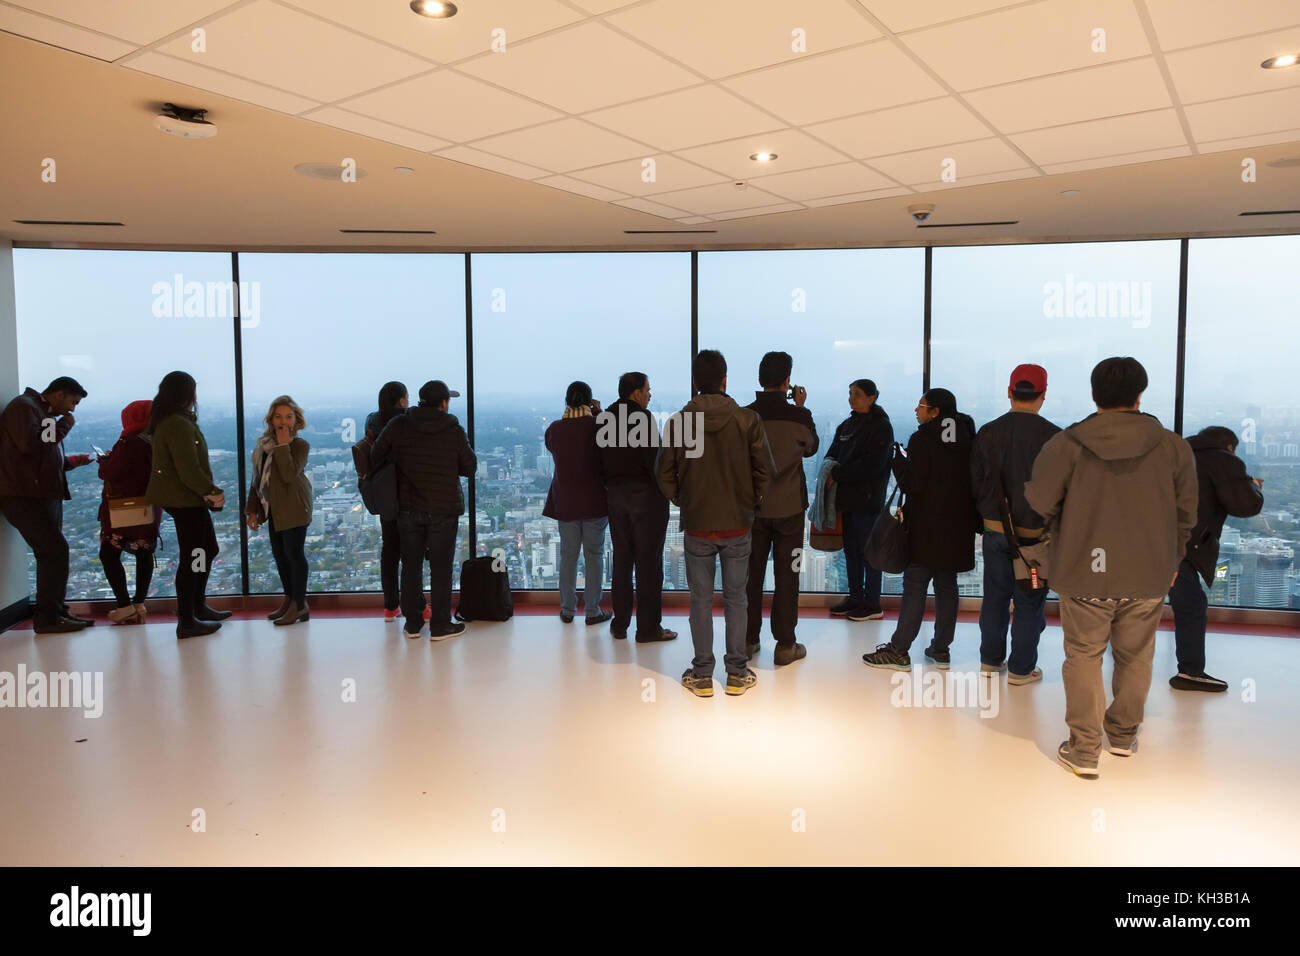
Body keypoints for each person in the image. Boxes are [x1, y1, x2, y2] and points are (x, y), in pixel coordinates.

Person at [1025, 357, 1197, 777]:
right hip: (1148, 571)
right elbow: (1186, 514)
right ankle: (1121, 736)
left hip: (1085, 570)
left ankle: (1084, 750)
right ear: (1141, 395)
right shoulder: (1173, 446)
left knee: (1083, 655)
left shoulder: (1067, 444)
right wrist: (1172, 558)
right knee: (1136, 654)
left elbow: (1039, 503)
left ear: (1093, 395)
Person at [658, 350, 773, 698]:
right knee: (737, 599)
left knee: (700, 600)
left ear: (695, 382)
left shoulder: (679, 422)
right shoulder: (747, 420)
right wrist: (750, 502)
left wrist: (685, 500)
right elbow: (764, 471)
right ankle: (737, 673)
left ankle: (703, 674)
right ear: (725, 380)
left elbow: (663, 474)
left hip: (697, 525)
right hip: (738, 524)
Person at [863, 388, 979, 672]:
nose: (917, 410)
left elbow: (912, 485)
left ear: (935, 411)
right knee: (947, 586)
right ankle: (941, 649)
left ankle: (899, 650)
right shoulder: (969, 437)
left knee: (915, 586)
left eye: (921, 406)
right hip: (958, 528)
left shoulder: (922, 439)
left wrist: (899, 461)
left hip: (926, 527)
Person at [970, 364, 1061, 684]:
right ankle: (1022, 669)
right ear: (1043, 395)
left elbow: (976, 482)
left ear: (1009, 392)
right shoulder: (1054, 436)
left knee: (994, 597)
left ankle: (990, 662)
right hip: (1035, 537)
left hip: (995, 531)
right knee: (1029, 602)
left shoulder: (989, 432)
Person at [371, 380, 475, 641]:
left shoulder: (399, 425)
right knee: (441, 569)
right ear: (443, 403)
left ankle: (413, 624)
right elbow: (469, 467)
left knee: (411, 566)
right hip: (444, 509)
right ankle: (440, 625)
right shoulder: (453, 430)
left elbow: (376, 454)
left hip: (409, 508)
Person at [1168, 426, 1264, 692]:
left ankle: (1115, 662)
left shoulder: (1177, 451)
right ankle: (1190, 672)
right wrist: (1253, 487)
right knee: (1192, 604)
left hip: (1153, 538)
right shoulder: (1225, 459)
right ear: (1231, 446)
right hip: (1184, 544)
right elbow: (1245, 505)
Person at [0, 376, 95, 633]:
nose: (72, 409)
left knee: (51, 553)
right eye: (72, 402)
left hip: (38, 495)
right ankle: (48, 618)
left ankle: (55, 612)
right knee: (55, 552)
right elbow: (31, 446)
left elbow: (39, 456)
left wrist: (72, 461)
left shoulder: (38, 411)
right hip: (24, 497)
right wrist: (64, 425)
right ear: (60, 394)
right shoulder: (25, 407)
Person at [145, 371, 231, 639]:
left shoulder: (174, 421)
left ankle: (196, 608)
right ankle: (188, 618)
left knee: (205, 550)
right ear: (187, 394)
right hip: (185, 499)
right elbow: (189, 469)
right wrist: (212, 492)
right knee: (194, 556)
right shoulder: (177, 424)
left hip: (185, 498)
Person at [745, 351, 818, 665]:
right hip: (790, 511)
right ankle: (786, 644)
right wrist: (801, 408)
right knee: (789, 576)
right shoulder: (798, 417)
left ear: (760, 380)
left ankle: (748, 641)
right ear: (787, 381)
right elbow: (811, 447)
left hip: (752, 511)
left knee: (751, 577)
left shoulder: (745, 416)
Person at [598, 372, 675, 642]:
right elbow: (654, 462)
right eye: (647, 390)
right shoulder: (642, 418)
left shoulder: (605, 418)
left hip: (616, 499)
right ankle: (648, 628)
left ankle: (620, 624)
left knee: (621, 561)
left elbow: (599, 460)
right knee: (648, 564)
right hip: (646, 500)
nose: (650, 395)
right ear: (635, 393)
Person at [825, 379, 894, 622]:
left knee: (869, 553)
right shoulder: (847, 425)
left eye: (857, 394)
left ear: (872, 397)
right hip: (847, 499)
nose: (851, 398)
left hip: (867, 500)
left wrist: (838, 473)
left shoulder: (881, 427)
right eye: (850, 393)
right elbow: (831, 454)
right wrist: (831, 469)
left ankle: (872, 602)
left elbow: (873, 466)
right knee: (851, 552)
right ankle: (856, 597)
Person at [544, 381, 610, 625]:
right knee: (594, 555)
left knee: (568, 556)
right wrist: (599, 413)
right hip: (595, 502)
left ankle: (567, 609)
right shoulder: (598, 424)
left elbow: (552, 448)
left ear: (567, 401)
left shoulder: (554, 429)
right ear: (589, 401)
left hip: (566, 502)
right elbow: (609, 444)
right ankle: (592, 611)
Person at [246, 396, 313, 626]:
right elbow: (257, 481)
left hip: (295, 507)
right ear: (271, 420)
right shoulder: (264, 446)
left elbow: (288, 474)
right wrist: (252, 510)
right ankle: (290, 600)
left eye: (288, 416)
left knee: (294, 556)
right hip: (273, 508)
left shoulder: (300, 446)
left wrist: (284, 445)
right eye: (278, 416)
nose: (283, 421)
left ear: (296, 420)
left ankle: (300, 604)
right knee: (280, 555)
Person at [97, 399, 163, 625]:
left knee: (109, 553)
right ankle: (139, 603)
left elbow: (110, 473)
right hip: (149, 507)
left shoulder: (129, 443)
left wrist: (104, 461)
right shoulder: (157, 441)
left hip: (123, 511)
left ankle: (124, 605)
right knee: (144, 553)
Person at [358, 382, 409, 623]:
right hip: (407, 491)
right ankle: (414, 605)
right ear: (401, 401)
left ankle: (390, 606)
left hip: (384, 490)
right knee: (411, 551)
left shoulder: (372, 420)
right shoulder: (406, 420)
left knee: (389, 550)